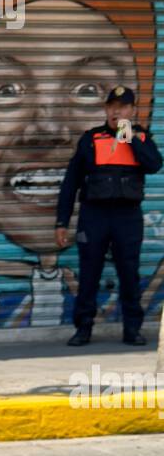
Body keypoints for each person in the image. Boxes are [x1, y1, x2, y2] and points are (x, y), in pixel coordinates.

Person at [56, 85, 162, 346]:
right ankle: (83, 329)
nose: (118, 111)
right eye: (113, 106)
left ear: (132, 110)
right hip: (94, 216)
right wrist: (62, 221)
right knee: (89, 273)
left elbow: (154, 165)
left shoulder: (142, 138)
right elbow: (71, 182)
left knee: (129, 274)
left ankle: (132, 329)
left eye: (124, 106)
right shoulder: (91, 139)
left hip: (127, 216)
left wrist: (131, 138)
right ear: (105, 109)